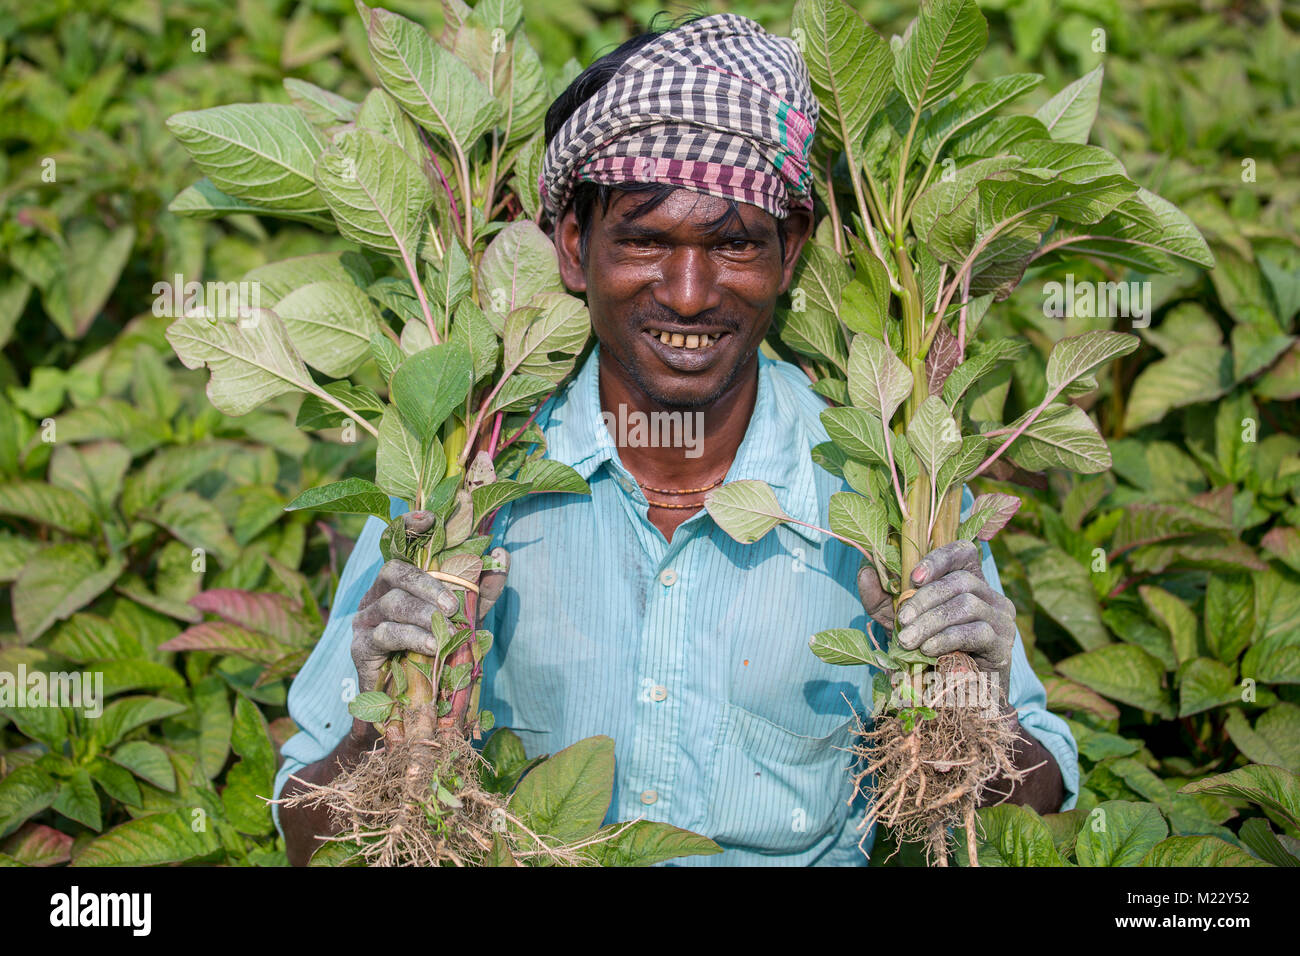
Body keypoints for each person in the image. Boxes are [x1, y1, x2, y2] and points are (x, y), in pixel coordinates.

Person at [275, 12, 1078, 866]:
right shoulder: (462, 481)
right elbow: (303, 834)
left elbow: (1039, 805)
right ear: (575, 249)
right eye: (645, 241)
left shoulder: (880, 479)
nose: (690, 295)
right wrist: (381, 734)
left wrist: (977, 701)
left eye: (732, 244)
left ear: (790, 252)